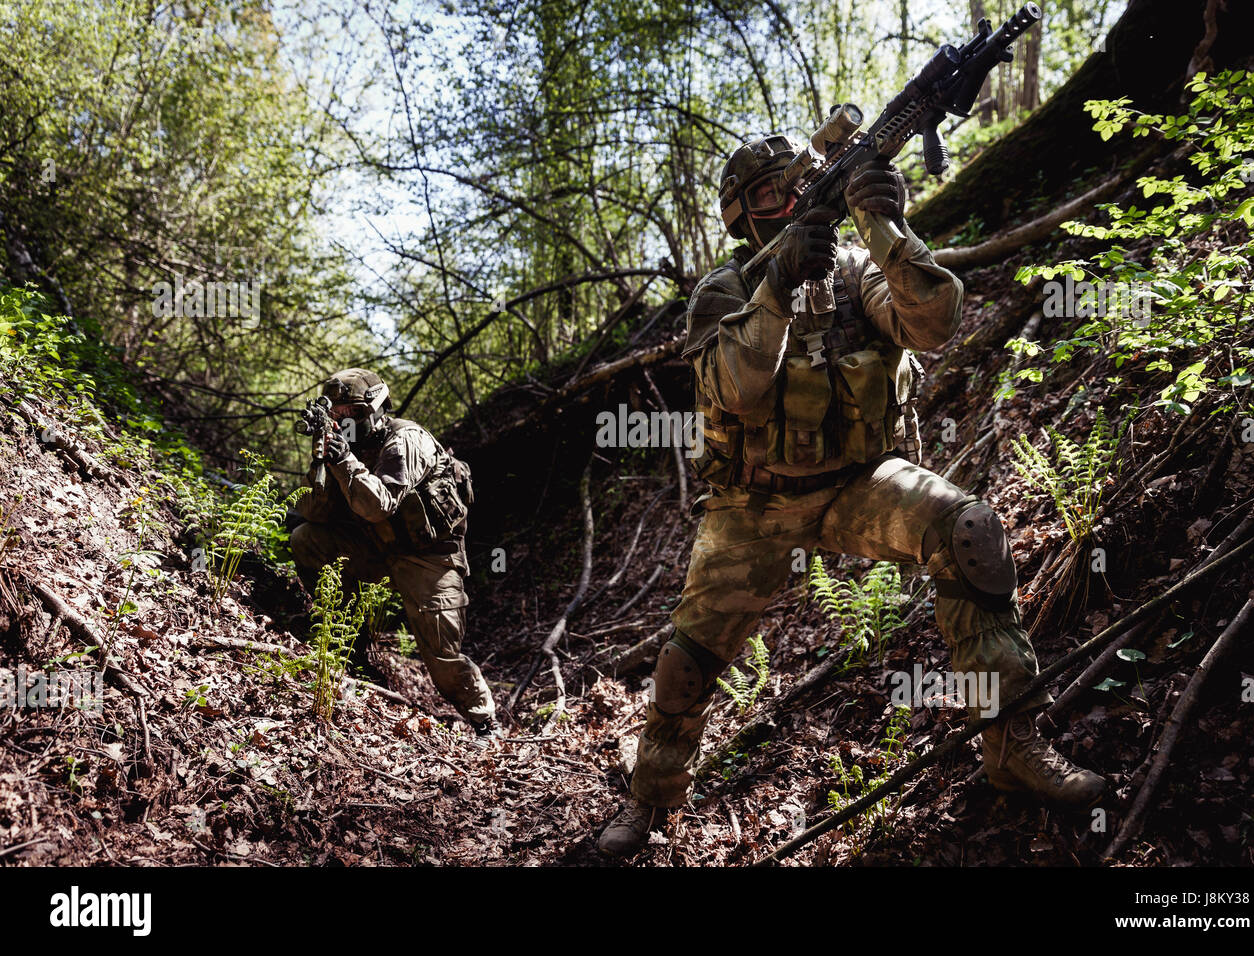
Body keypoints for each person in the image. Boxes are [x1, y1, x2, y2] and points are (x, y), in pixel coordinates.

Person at [597, 135, 1105, 856]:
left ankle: (1012, 747)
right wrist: (777, 287)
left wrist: (886, 226)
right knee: (688, 661)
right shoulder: (725, 290)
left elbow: (934, 322)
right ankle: (649, 799)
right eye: (771, 192)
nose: (792, 197)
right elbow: (736, 390)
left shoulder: (857, 269)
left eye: (796, 182)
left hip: (857, 483)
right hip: (754, 506)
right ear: (744, 216)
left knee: (970, 532)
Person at [289, 368, 499, 742]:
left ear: (377, 407)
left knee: (442, 656)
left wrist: (343, 462)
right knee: (307, 540)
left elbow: (378, 505)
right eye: (337, 415)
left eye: (352, 413)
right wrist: (322, 463)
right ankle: (347, 650)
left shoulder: (405, 441)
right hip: (374, 547)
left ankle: (485, 721)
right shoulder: (343, 446)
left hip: (428, 558)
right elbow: (314, 513)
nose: (345, 422)